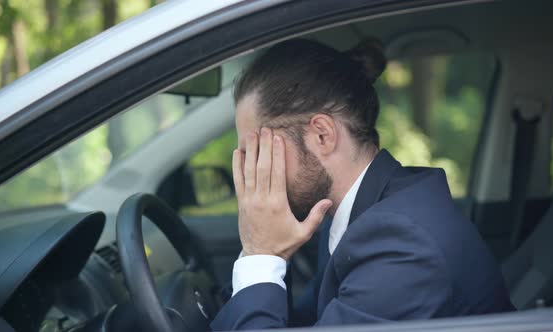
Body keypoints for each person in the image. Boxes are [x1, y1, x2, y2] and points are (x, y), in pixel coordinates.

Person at [211, 39, 514, 331]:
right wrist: (261, 255)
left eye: (258, 153)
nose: (251, 175)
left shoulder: (403, 247)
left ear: (322, 136)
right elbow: (305, 321)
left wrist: (262, 254)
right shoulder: (355, 215)